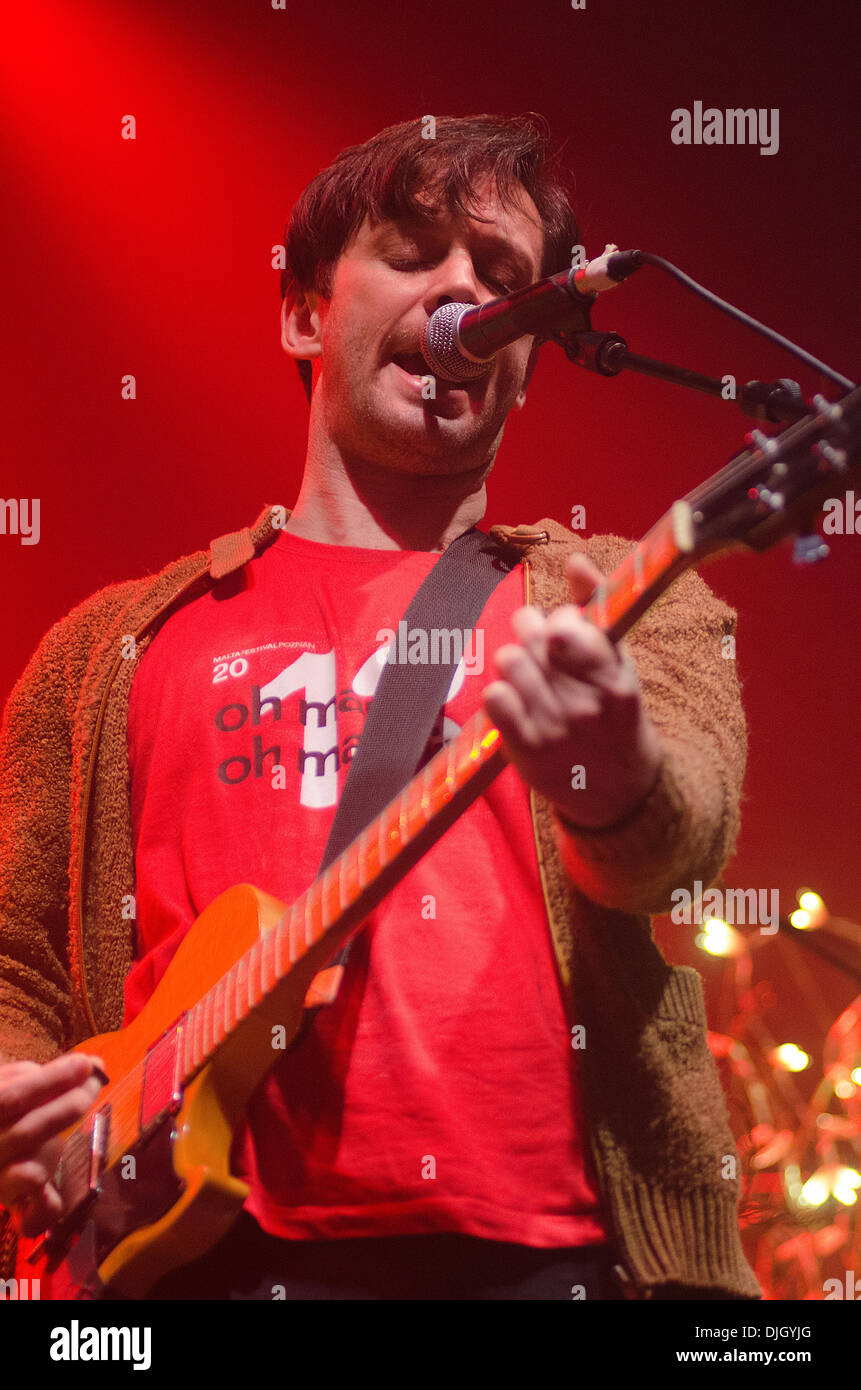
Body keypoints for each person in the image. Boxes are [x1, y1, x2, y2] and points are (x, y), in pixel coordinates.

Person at [0, 114, 761, 1300]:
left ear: (527, 350)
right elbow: (14, 959)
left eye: (505, 278)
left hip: (549, 1261)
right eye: (414, 253)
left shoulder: (611, 595)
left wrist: (613, 772)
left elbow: (679, 847)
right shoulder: (109, 646)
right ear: (305, 313)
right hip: (182, 1259)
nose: (466, 287)